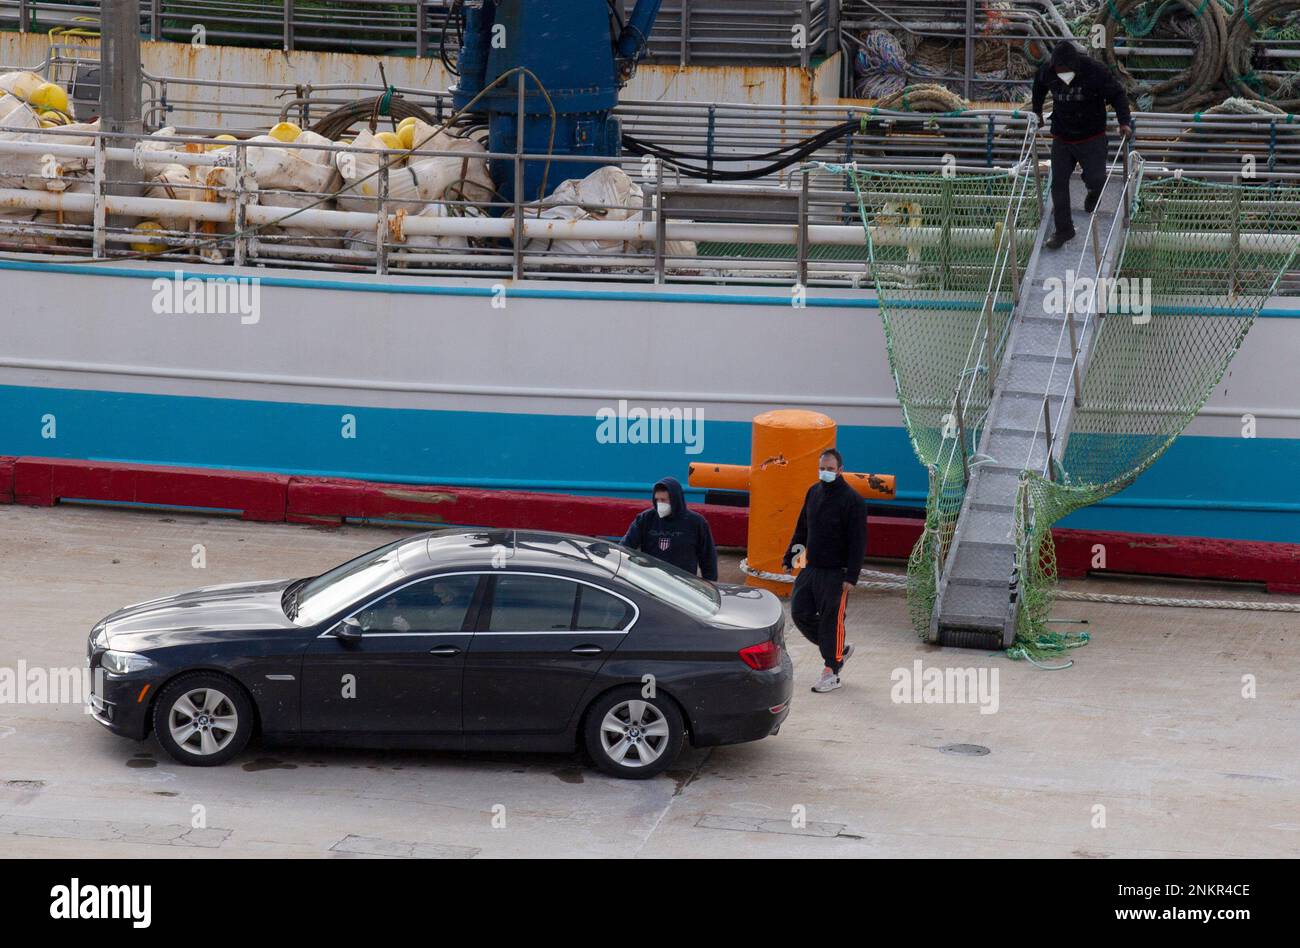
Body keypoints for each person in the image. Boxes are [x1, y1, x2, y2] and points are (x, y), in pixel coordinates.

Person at [1032, 40, 1133, 250]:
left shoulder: (1095, 71)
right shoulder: (1047, 71)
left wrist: (1124, 122)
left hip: (1092, 136)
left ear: (1074, 65)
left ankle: (1093, 193)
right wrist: (1037, 111)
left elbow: (1118, 94)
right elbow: (1038, 87)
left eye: (1066, 70)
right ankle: (1064, 230)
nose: (1062, 74)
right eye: (1058, 70)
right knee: (1058, 183)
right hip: (1063, 136)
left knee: (1097, 179)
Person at [782, 448, 867, 694]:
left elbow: (858, 541)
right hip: (811, 568)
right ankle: (838, 649)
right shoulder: (813, 493)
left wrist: (851, 576)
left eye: (830, 469)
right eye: (822, 468)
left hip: (836, 573)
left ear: (840, 470)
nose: (825, 472)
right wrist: (792, 557)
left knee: (831, 620)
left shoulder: (853, 500)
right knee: (800, 613)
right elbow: (802, 529)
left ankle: (831, 671)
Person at [621, 476, 718, 581]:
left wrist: (710, 582)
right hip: (651, 581)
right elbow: (626, 547)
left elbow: (708, 557)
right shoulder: (645, 519)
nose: (659, 504)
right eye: (657, 500)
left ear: (675, 499)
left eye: (663, 500)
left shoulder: (696, 522)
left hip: (684, 582)